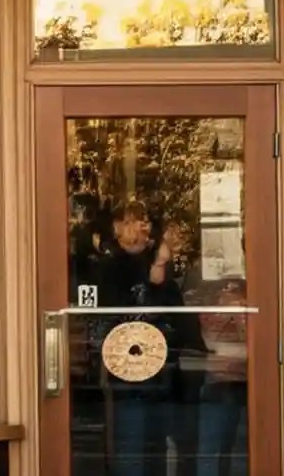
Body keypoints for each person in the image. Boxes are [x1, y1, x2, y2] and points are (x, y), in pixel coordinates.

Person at [93, 201, 174, 476]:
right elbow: (113, 310)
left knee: (156, 443)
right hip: (125, 368)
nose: (140, 228)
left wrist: (160, 268)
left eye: (144, 221)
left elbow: (170, 309)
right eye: (131, 221)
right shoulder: (108, 263)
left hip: (161, 366)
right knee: (130, 439)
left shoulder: (157, 259)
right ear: (117, 228)